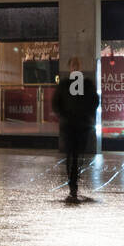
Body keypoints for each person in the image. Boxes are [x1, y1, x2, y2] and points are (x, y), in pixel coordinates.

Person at [51, 56, 100, 203]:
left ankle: (72, 182)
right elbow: (94, 101)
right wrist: (88, 115)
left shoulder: (65, 85)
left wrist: (63, 115)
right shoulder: (86, 84)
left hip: (70, 125)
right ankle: (74, 181)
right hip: (81, 125)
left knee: (71, 154)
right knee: (77, 155)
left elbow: (56, 103)